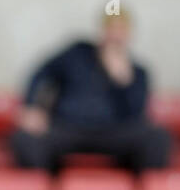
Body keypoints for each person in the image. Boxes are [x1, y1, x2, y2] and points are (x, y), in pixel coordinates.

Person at [11, 9, 171, 172]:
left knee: (157, 138)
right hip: (68, 127)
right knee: (26, 138)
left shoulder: (138, 72)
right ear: (102, 31)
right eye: (111, 29)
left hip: (115, 132)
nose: (115, 36)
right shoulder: (76, 54)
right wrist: (31, 106)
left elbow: (138, 114)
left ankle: (141, 188)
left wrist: (124, 82)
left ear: (129, 34)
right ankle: (44, 186)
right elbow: (41, 73)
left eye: (121, 30)